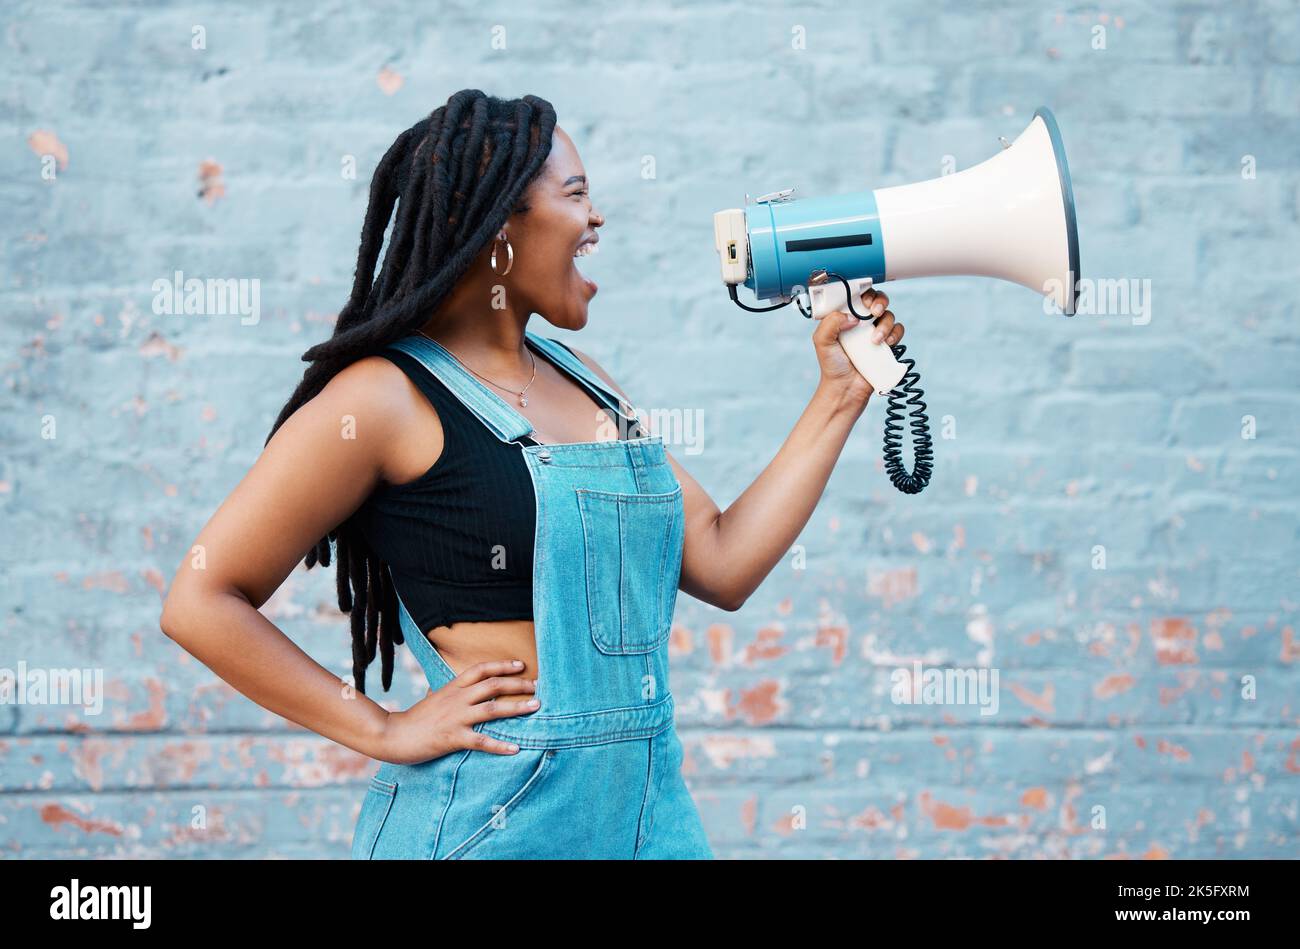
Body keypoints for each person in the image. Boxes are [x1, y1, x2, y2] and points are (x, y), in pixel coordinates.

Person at [158, 89, 904, 859]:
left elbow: (722, 561)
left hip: (650, 810)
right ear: (499, 226)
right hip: (496, 815)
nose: (597, 218)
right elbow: (201, 598)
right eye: (576, 193)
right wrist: (382, 728)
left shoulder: (585, 381)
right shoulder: (383, 398)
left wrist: (840, 393)